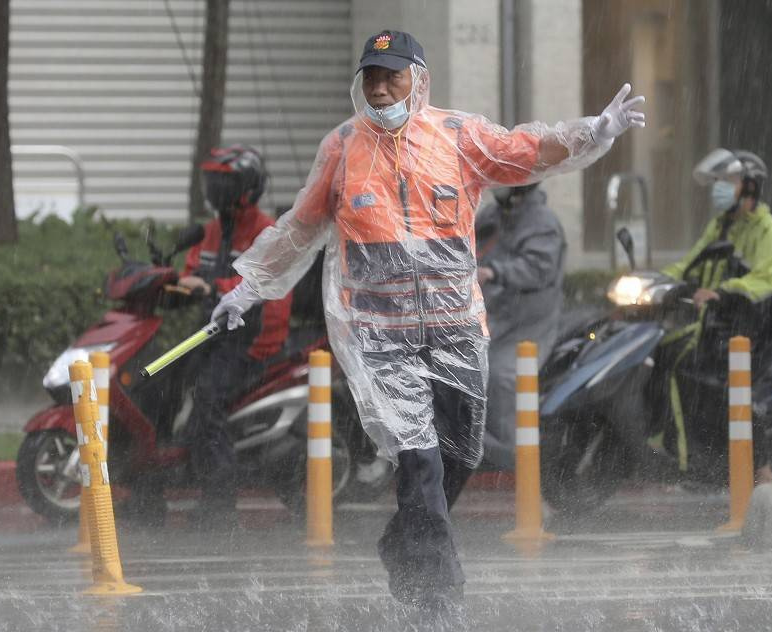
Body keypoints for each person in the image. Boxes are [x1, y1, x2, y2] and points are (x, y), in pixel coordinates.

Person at [210, 30, 644, 612]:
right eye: (371, 76)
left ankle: (404, 540)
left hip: (455, 327)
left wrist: (594, 131)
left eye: (392, 74)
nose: (381, 87)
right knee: (418, 452)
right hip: (381, 336)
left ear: (418, 77)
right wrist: (247, 288)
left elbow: (527, 150)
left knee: (461, 451)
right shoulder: (341, 148)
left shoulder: (457, 136)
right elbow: (299, 227)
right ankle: (436, 594)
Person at [652, 148, 772, 484]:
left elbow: (771, 277)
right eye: (717, 181)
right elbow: (691, 263)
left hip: (756, 329)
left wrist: (724, 291)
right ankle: (699, 463)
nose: (720, 187)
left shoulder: (768, 231)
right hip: (718, 326)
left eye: (728, 181)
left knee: (733, 389)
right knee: (676, 366)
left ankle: (762, 471)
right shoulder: (721, 226)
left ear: (750, 186)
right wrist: (656, 282)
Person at [176, 145, 292, 522]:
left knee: (208, 398)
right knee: (163, 385)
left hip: (254, 340)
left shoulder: (265, 232)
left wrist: (211, 287)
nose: (216, 190)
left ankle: (219, 501)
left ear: (247, 187)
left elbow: (254, 286)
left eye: (224, 183)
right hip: (215, 334)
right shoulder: (211, 231)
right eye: (213, 182)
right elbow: (192, 269)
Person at [475, 183, 567, 470]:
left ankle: (512, 460)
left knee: (501, 377)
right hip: (491, 317)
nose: (495, 185)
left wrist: (495, 272)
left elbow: (538, 269)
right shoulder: (492, 215)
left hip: (528, 325)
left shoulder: (542, 222)